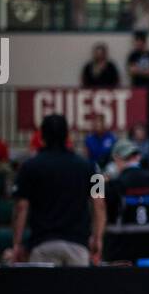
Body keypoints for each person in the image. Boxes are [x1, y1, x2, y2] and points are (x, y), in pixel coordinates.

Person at [11, 113, 105, 266]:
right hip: (78, 246)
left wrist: (17, 243)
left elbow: (21, 207)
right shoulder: (90, 166)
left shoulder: (28, 167)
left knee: (44, 290)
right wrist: (98, 238)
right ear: (67, 136)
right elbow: (100, 203)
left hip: (42, 245)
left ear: (42, 136)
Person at [103, 140, 149, 264]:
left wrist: (100, 178)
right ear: (138, 157)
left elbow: (99, 208)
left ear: (116, 159)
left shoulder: (113, 185)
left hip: (120, 251)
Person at [126, 31, 149, 138]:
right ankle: (134, 140)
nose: (137, 43)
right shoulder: (133, 55)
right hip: (137, 92)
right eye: (136, 41)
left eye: (139, 41)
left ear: (144, 41)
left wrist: (140, 71)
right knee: (136, 117)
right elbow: (132, 70)